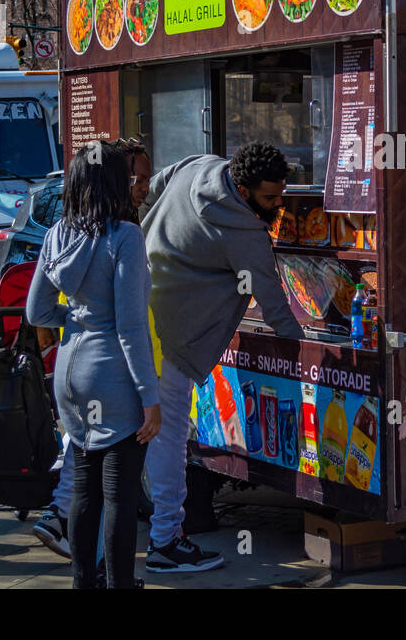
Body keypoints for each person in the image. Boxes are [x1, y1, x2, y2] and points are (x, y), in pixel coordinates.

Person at [141, 140, 304, 574]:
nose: (278, 205)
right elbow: (272, 302)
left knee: (129, 431)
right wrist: (301, 351)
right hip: (176, 339)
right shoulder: (245, 232)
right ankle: (166, 541)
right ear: (244, 189)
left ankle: (64, 516)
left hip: (139, 315)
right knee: (170, 439)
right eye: (270, 198)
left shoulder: (197, 165)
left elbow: (148, 188)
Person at [26, 142, 161, 589]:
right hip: (112, 375)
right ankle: (120, 584)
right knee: (119, 492)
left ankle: (84, 583)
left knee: (83, 485)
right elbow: (130, 327)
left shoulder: (55, 235)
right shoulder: (124, 236)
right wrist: (150, 397)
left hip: (69, 373)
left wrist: (77, 319)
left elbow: (36, 313)